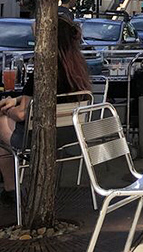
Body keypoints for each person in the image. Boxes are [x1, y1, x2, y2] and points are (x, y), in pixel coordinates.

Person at [0, 16, 91, 205]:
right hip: (72, 134)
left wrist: (8, 109)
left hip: (38, 137)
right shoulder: (76, 67)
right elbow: (53, 98)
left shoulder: (42, 72)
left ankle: (11, 190)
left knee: (1, 120)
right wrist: (16, 100)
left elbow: (22, 114)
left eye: (35, 37)